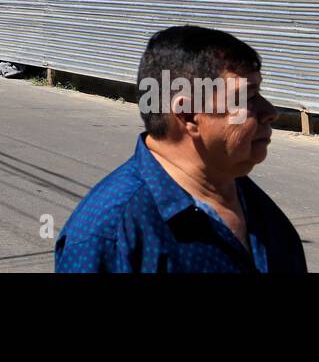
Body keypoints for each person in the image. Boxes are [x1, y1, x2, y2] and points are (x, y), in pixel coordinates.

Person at [55, 25, 305, 273]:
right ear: (188, 114)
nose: (270, 112)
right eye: (248, 98)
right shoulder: (108, 236)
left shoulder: (263, 215)